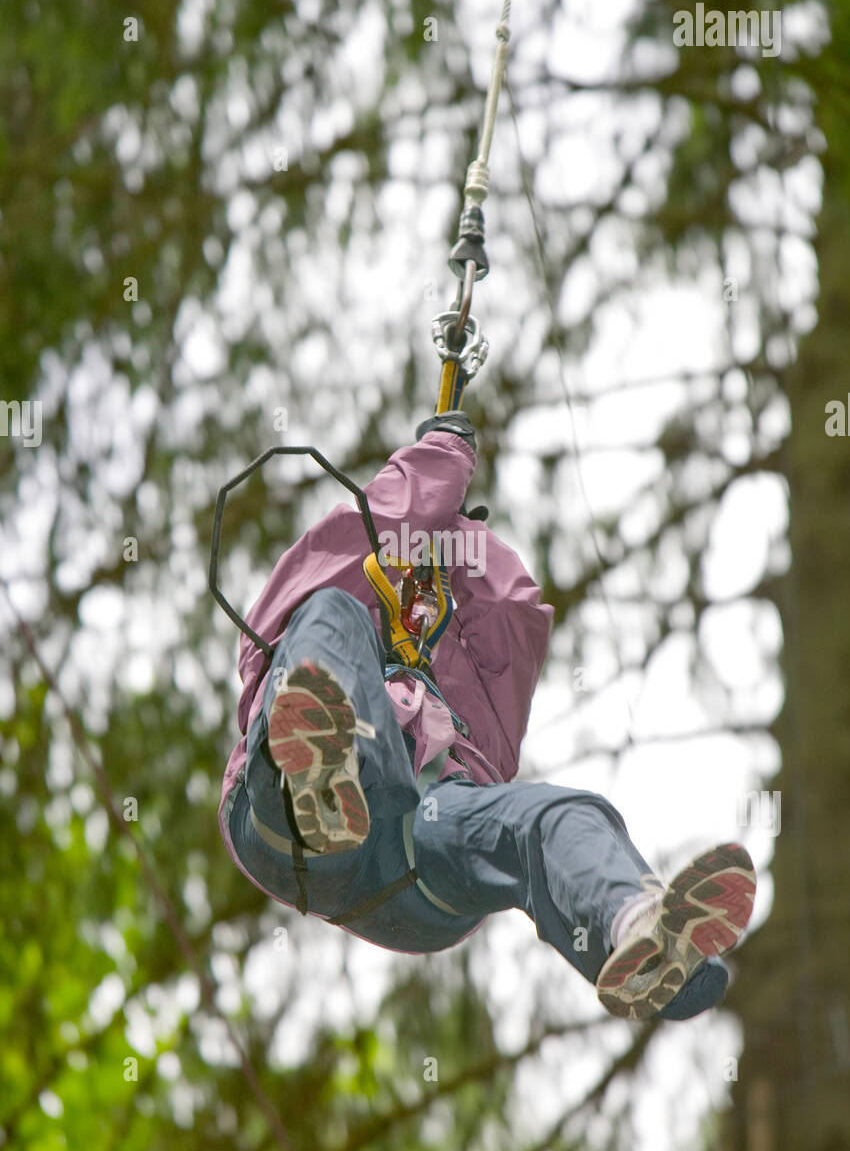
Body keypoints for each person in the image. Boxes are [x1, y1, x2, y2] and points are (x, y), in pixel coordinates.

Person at [219, 411, 755, 1020]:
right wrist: (442, 463)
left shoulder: (469, 713)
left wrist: (461, 549)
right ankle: (321, 772)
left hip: (415, 844)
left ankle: (641, 932)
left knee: (554, 814)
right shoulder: (328, 618)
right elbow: (359, 537)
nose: (415, 608)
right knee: (333, 613)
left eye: (431, 597)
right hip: (276, 814)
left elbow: (511, 616)